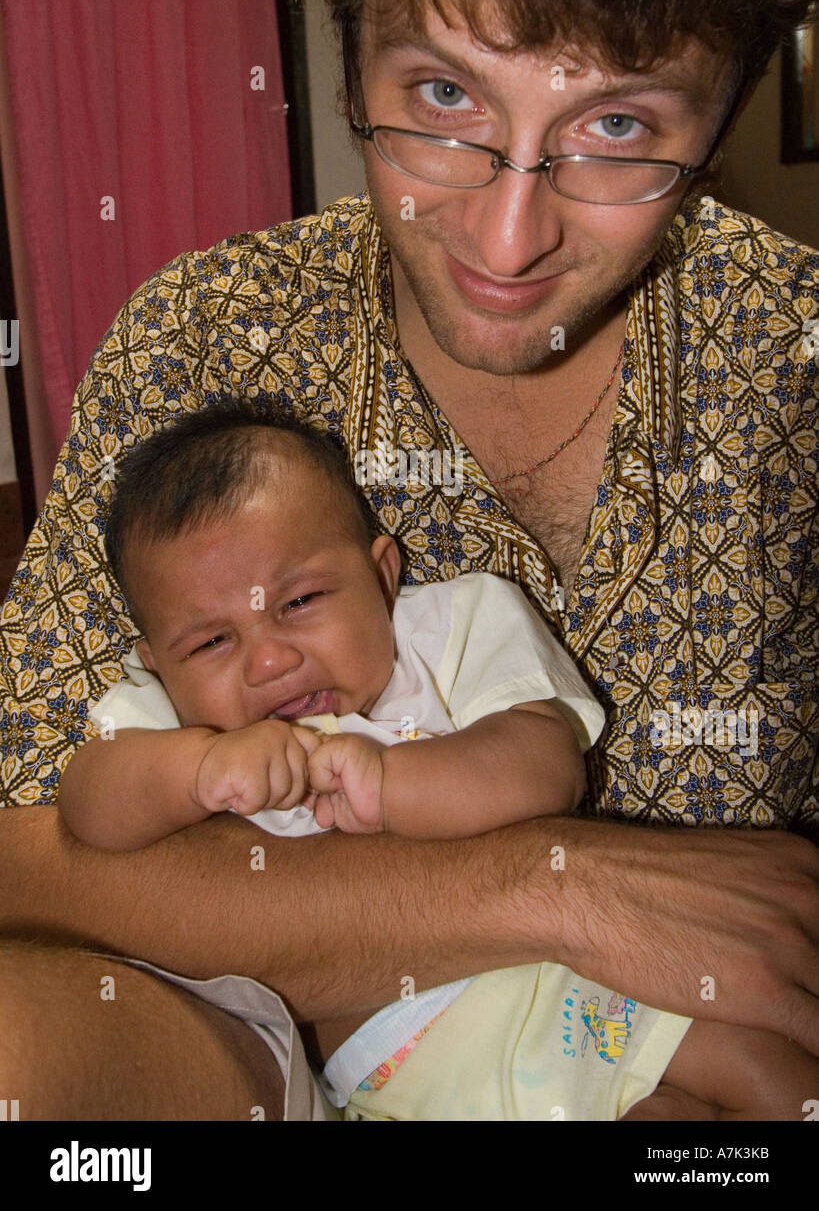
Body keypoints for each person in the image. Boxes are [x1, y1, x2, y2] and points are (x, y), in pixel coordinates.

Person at [0, 0, 817, 1122]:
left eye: (614, 122)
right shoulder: (209, 335)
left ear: (718, 122)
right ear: (346, 71)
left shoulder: (792, 359)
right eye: (441, 95)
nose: (506, 235)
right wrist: (545, 882)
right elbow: (26, 850)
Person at [56, 399, 819, 1121]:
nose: (269, 661)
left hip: (572, 975)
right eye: (211, 642)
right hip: (401, 1052)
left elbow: (540, 765)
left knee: (774, 1078)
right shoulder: (174, 721)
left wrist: (393, 782)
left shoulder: (450, 629)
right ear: (156, 663)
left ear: (381, 575)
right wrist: (193, 771)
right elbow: (87, 805)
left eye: (300, 602)